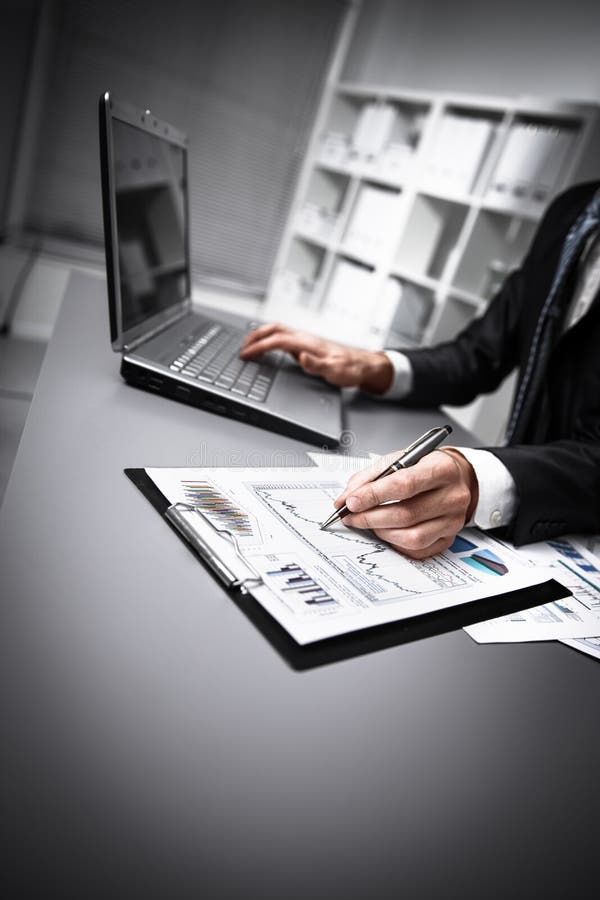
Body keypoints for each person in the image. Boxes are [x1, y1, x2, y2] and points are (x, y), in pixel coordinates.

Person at [241, 181, 600, 559]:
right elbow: (477, 356)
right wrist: (368, 365)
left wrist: (479, 480)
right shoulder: (573, 209)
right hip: (518, 536)